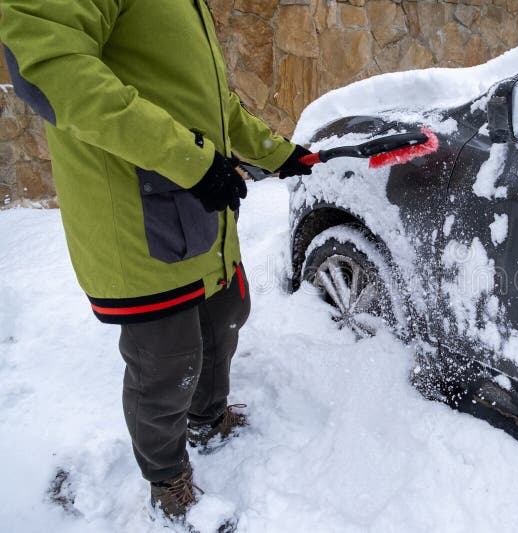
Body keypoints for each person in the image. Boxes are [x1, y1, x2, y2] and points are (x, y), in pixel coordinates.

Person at [0, 0, 312, 523]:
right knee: (166, 361)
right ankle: (167, 480)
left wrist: (278, 153)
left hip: (197, 202)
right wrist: (192, 160)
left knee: (225, 317)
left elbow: (212, 107)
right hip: (132, 215)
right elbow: (56, 74)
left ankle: (208, 421)